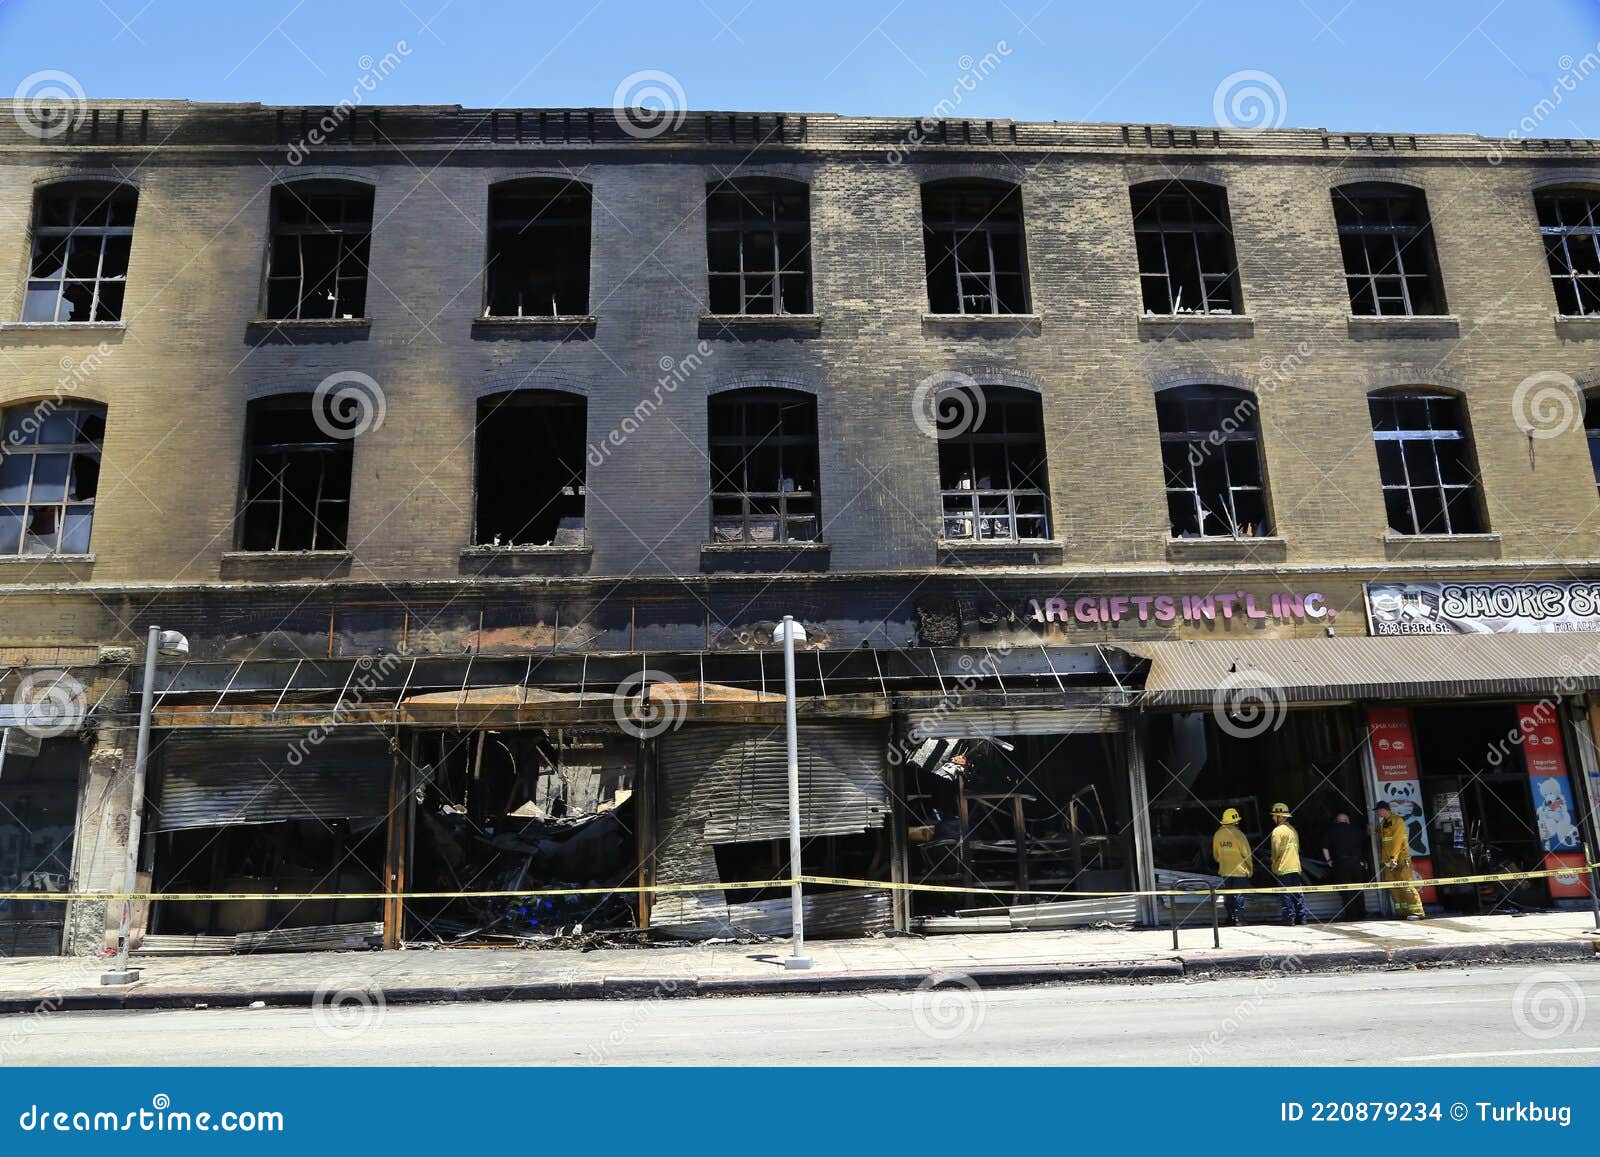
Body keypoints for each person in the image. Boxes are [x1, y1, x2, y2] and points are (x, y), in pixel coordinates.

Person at [1374, 801, 1425, 920]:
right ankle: (1402, 911)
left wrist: (1393, 858)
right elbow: (1384, 842)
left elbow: (1397, 842)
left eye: (1378, 810)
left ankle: (1417, 912)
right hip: (1389, 861)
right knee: (1394, 886)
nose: (1377, 812)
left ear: (1383, 809)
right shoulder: (1383, 823)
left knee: (1406, 885)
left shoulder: (1397, 821)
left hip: (1400, 860)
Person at [1320, 812, 1368, 920]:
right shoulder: (1356, 829)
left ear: (1337, 821)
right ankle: (1362, 913)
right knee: (1358, 888)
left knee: (1346, 890)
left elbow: (1324, 847)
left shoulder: (1331, 831)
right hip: (1356, 863)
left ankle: (1351, 915)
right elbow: (1366, 838)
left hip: (1340, 864)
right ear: (1347, 820)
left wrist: (1328, 860)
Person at [1269, 802, 1309, 926]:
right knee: (1298, 893)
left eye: (1274, 815)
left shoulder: (1277, 831)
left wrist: (1273, 862)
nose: (1272, 818)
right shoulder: (1293, 830)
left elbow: (1275, 851)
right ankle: (1302, 918)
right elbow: (1297, 848)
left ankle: (1289, 919)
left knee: (1286, 893)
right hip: (1295, 866)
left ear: (1280, 817)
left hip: (1283, 867)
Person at [1212, 807, 1253, 925]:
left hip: (1225, 870)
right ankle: (1240, 919)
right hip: (1239, 870)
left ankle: (1230, 918)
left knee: (1228, 895)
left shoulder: (1218, 835)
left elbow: (1216, 855)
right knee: (1239, 894)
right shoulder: (1239, 834)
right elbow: (1247, 854)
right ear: (1235, 822)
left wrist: (1223, 861)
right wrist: (1250, 869)